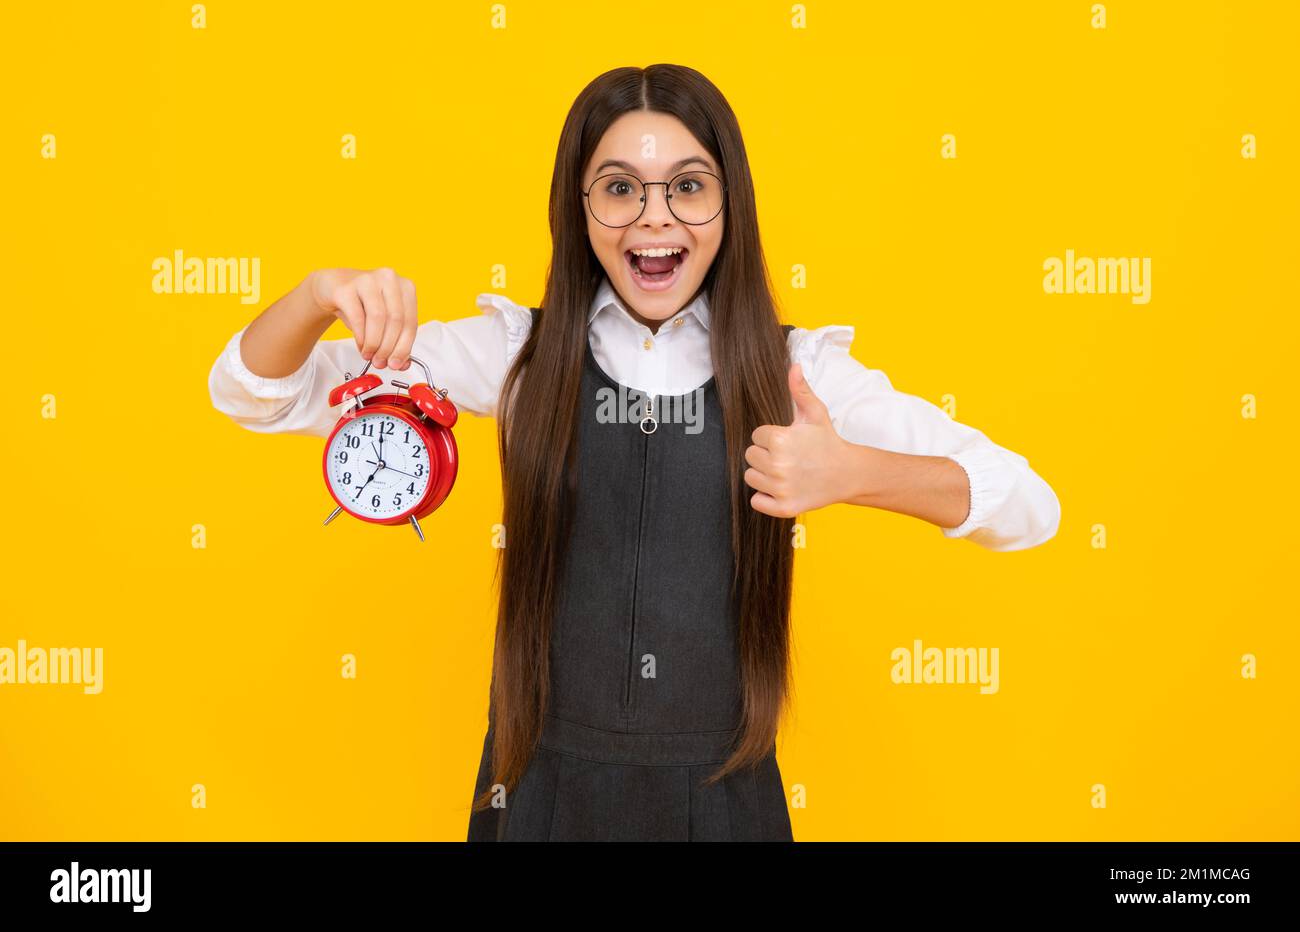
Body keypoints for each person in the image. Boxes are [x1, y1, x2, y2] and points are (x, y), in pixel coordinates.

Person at [208, 64, 1061, 841]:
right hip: (536, 797)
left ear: (731, 206)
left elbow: (1028, 507)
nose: (655, 218)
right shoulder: (517, 354)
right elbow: (254, 393)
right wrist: (320, 294)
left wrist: (853, 473)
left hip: (725, 804)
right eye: (619, 189)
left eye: (688, 187)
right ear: (579, 210)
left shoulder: (801, 372)